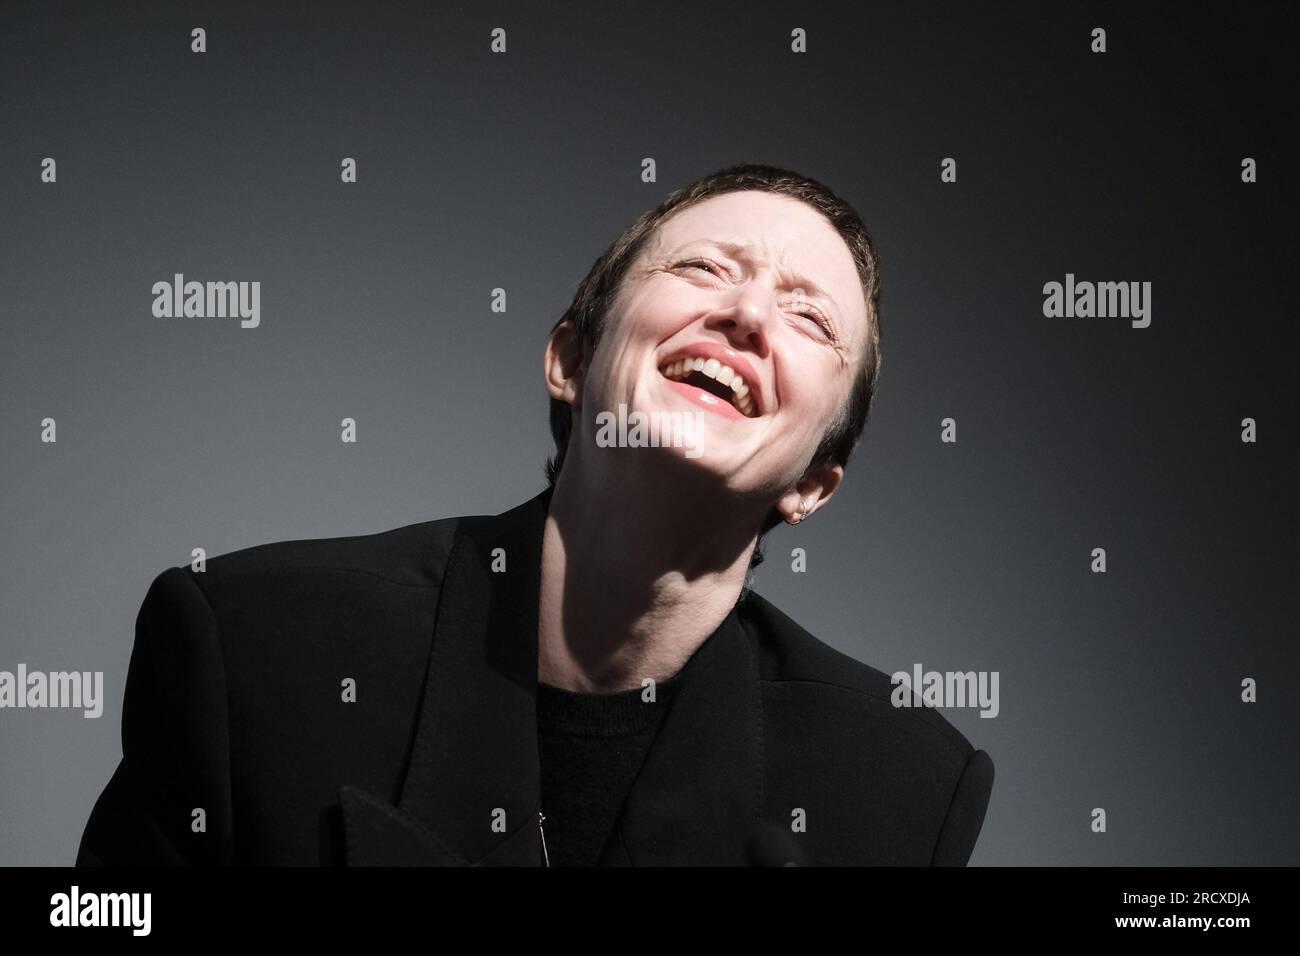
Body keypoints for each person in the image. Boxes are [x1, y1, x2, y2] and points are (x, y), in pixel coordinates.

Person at [76, 163, 993, 866]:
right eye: (706, 266)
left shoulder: (904, 787)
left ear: (815, 483)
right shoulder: (252, 644)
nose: (748, 311)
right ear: (570, 357)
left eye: (810, 319)